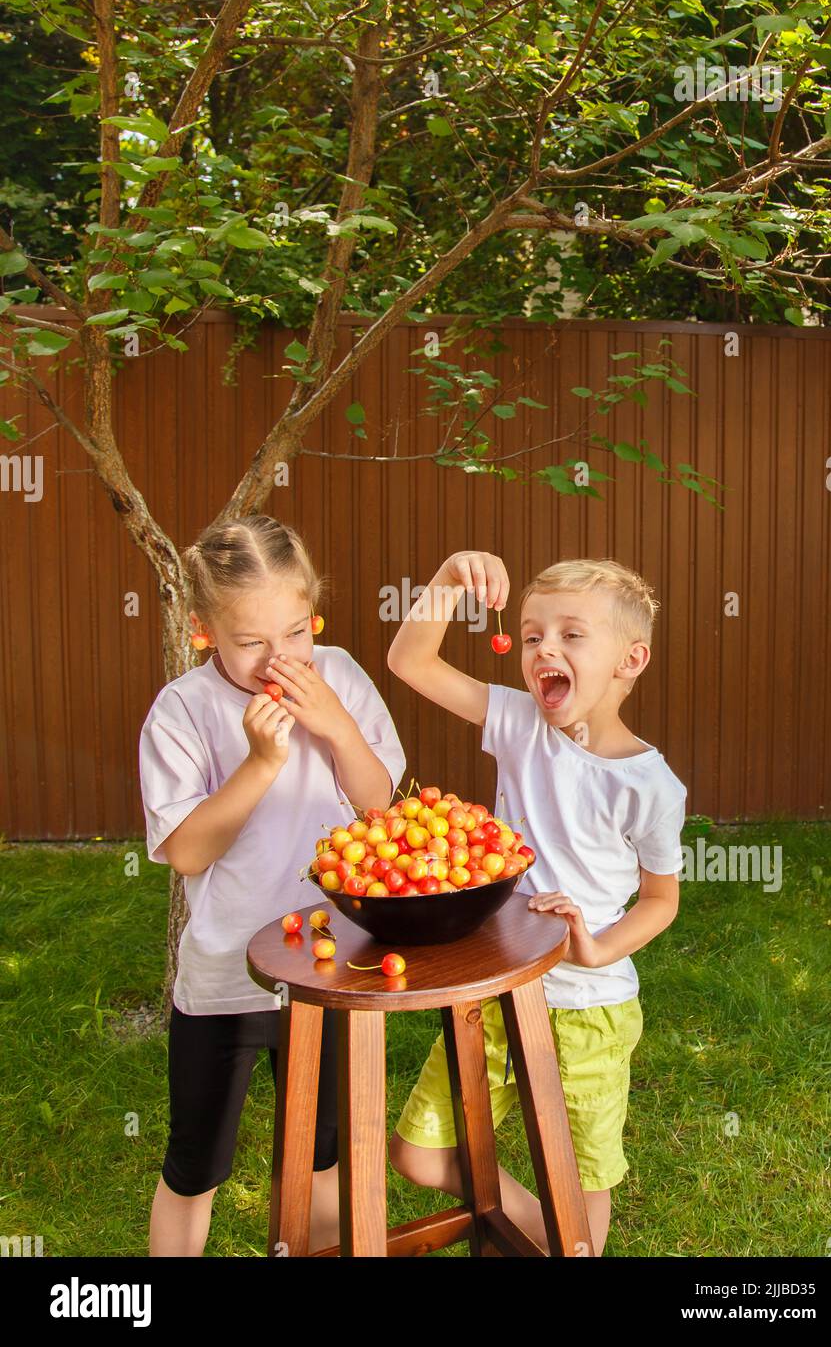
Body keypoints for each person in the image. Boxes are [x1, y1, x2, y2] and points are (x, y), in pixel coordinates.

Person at [386, 550, 686, 1256]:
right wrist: (447, 579)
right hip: (492, 989)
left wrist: (597, 946)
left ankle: (569, 1243)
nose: (543, 648)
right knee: (420, 1155)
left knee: (580, 1181)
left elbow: (660, 900)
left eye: (571, 635)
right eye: (531, 636)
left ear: (630, 659)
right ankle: (548, 1241)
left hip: (590, 1010)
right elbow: (410, 662)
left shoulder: (650, 787)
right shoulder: (518, 721)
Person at [139, 515, 406, 1255]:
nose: (278, 658)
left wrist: (337, 726)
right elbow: (188, 852)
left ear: (313, 611)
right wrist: (258, 763)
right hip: (227, 975)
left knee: (322, 1155)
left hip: (333, 965)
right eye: (251, 642)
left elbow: (381, 802)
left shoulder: (342, 674)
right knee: (196, 1166)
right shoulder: (183, 712)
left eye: (295, 633)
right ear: (203, 630)